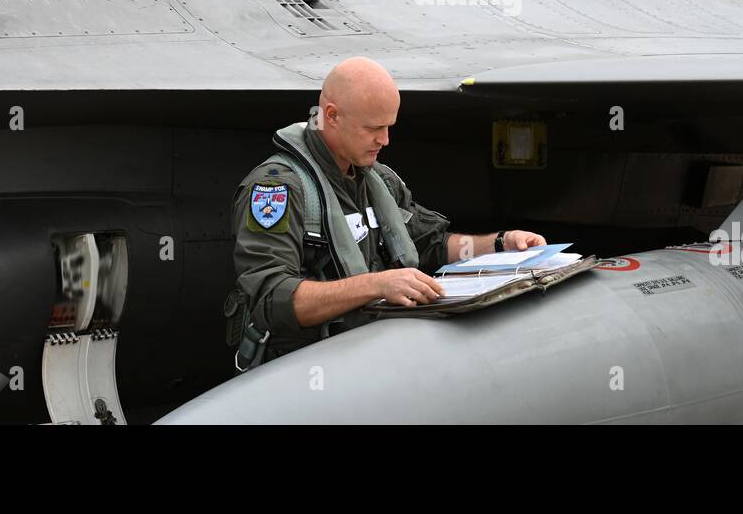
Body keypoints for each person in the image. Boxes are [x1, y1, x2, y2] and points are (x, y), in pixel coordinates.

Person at [226, 56, 546, 369]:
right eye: (373, 128)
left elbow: (429, 241)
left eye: (389, 127)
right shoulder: (278, 190)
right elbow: (271, 300)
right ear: (332, 116)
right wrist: (378, 285)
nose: (385, 139)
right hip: (306, 371)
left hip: (372, 359)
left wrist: (502, 243)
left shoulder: (380, 180)